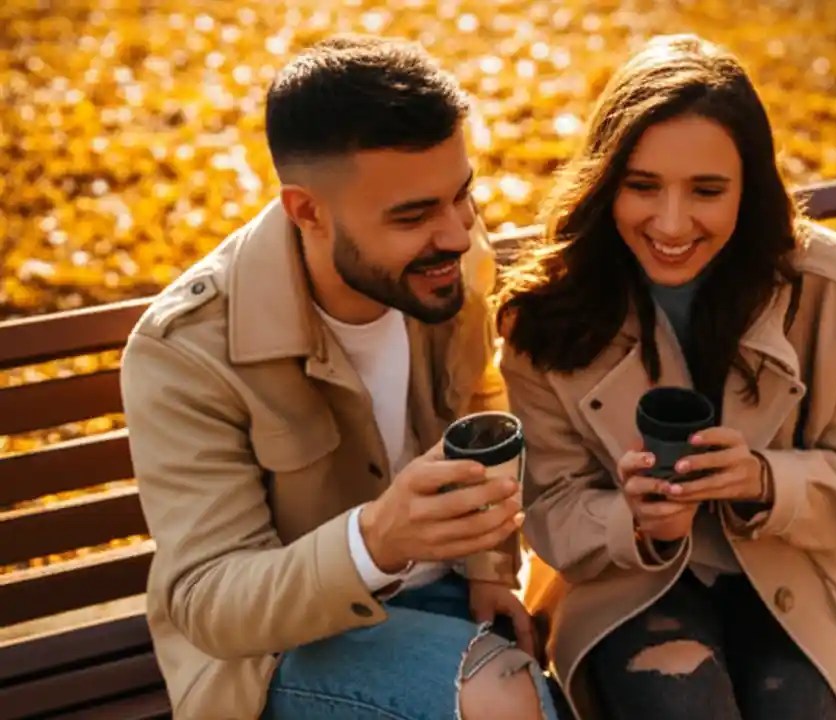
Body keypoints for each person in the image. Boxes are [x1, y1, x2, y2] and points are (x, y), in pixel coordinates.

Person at [120, 35, 560, 720]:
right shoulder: (185, 352)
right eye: (413, 215)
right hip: (279, 652)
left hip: (447, 601)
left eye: (462, 195)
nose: (457, 232)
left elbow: (479, 407)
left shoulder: (449, 264)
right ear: (308, 212)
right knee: (503, 696)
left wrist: (489, 567)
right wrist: (377, 538)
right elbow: (208, 600)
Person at [496, 34, 836, 720]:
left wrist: (762, 480)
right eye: (641, 186)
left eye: (707, 191)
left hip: (798, 569)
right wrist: (632, 518)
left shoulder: (831, 289)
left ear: (751, 190)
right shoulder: (551, 312)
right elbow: (549, 509)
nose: (670, 223)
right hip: (629, 584)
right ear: (605, 183)